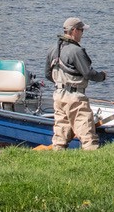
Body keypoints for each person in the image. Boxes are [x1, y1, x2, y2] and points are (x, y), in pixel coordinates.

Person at [45, 17, 107, 149]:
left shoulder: (52, 50)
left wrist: (60, 84)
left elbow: (47, 74)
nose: (82, 34)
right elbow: (88, 73)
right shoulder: (76, 51)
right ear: (73, 31)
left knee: (60, 131)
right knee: (86, 131)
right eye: (81, 30)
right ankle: (92, 157)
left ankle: (58, 155)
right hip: (75, 97)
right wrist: (102, 76)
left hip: (58, 95)